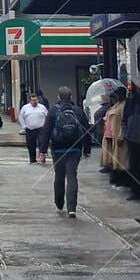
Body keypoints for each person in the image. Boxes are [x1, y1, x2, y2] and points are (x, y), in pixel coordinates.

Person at [44, 88, 90, 217]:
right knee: (72, 176)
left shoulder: (53, 111)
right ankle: (72, 208)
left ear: (58, 97)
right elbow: (86, 131)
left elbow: (46, 130)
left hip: (58, 149)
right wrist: (87, 149)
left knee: (59, 176)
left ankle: (59, 203)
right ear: (71, 97)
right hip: (75, 150)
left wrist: (42, 150)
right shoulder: (78, 111)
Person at [123, 90, 140, 200]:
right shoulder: (132, 98)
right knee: (135, 165)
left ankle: (139, 188)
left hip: (137, 135)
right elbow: (125, 117)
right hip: (133, 136)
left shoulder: (138, 98)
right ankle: (137, 189)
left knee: (137, 165)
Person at [18, 92, 48, 164]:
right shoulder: (25, 108)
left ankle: (42, 157)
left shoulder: (42, 107)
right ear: (30, 101)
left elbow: (47, 116)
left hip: (41, 129)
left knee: (42, 143)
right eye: (33, 100)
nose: (34, 102)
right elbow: (21, 117)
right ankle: (32, 159)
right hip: (30, 129)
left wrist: (46, 126)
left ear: (38, 100)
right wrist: (24, 127)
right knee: (31, 144)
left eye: (36, 100)